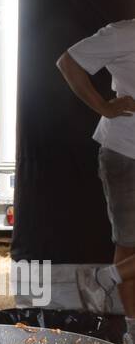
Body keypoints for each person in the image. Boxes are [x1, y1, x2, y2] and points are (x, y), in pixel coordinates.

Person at [57, 19, 135, 317]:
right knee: (129, 245)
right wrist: (104, 107)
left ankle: (104, 278)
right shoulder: (125, 33)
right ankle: (132, 338)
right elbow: (68, 62)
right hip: (127, 153)